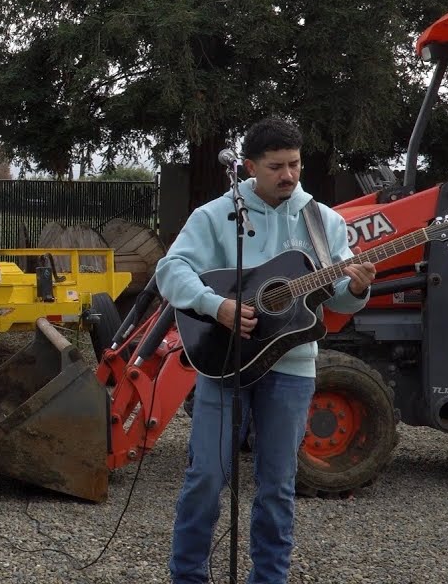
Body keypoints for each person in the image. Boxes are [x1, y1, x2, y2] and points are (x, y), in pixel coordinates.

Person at [155, 116, 376, 584]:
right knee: (206, 480)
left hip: (292, 368)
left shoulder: (322, 220)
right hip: (226, 364)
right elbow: (170, 271)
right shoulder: (217, 215)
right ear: (249, 167)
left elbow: (336, 295)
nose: (289, 176)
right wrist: (216, 307)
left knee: (277, 487)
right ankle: (188, 577)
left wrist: (355, 288)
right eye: (276, 166)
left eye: (295, 164)